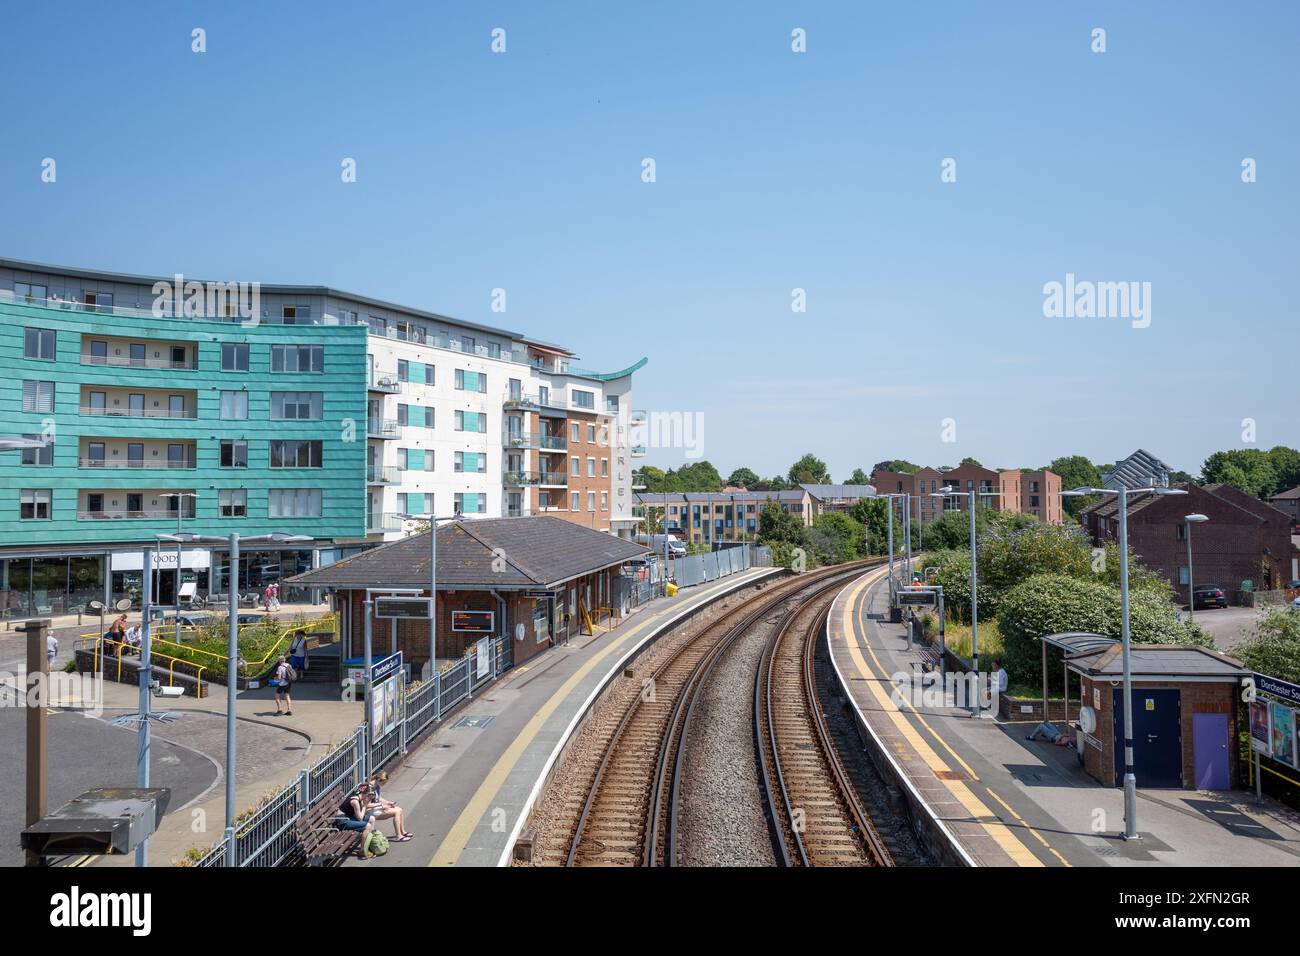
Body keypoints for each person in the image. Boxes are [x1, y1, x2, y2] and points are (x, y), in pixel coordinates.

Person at [365, 771, 412, 841]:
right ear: (379, 780)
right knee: (396, 812)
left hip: (377, 808)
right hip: (370, 811)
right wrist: (382, 805)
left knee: (400, 809)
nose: (383, 785)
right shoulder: (370, 788)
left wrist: (388, 802)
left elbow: (379, 798)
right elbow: (367, 805)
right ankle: (399, 836)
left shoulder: (377, 786)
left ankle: (402, 831)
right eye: (383, 783)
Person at [335, 788, 374, 857]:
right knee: (367, 826)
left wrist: (363, 803)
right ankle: (362, 850)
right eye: (370, 795)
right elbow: (360, 818)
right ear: (365, 794)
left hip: (348, 817)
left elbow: (359, 814)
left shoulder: (359, 797)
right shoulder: (355, 802)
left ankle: (369, 843)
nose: (370, 798)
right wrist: (365, 805)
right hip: (342, 822)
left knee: (372, 818)